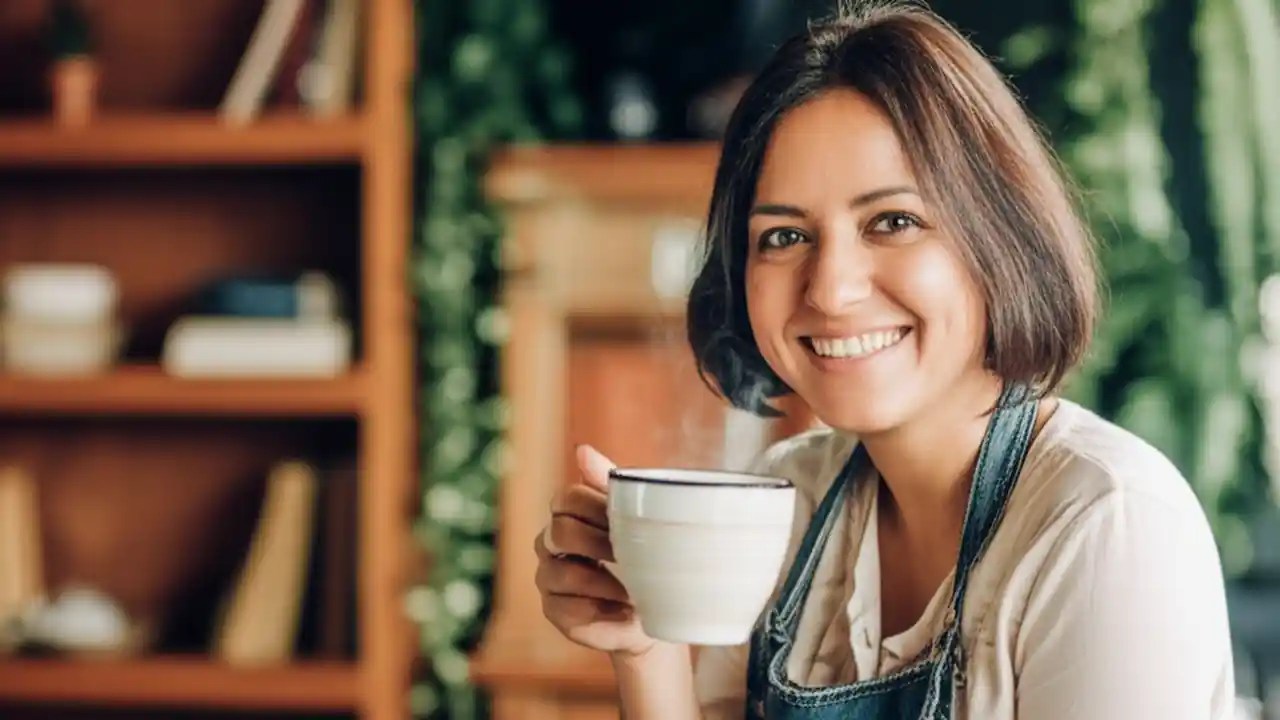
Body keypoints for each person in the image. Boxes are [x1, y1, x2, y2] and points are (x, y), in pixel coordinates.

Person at [533, 1, 1236, 718]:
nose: (831, 289)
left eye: (892, 223)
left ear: (998, 237)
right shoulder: (794, 497)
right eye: (782, 237)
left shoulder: (1105, 526)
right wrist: (644, 645)